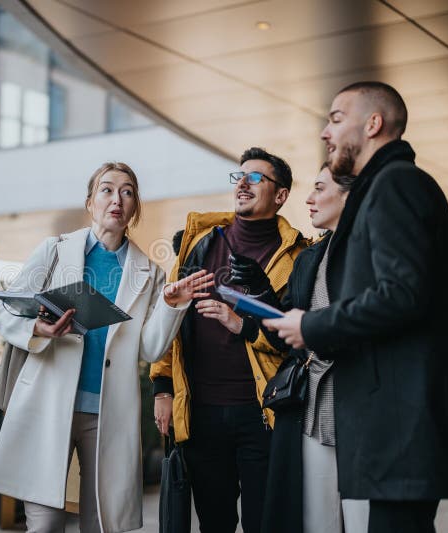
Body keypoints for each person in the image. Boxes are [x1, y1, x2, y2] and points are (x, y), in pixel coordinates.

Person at [263, 81, 448, 532]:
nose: (326, 133)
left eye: (335, 119)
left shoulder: (395, 184)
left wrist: (314, 326)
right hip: (400, 422)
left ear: (373, 124)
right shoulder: (392, 186)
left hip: (404, 424)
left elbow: (402, 294)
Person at [0, 162, 214, 533]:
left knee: (101, 522)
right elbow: (5, 310)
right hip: (47, 403)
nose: (116, 199)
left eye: (127, 192)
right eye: (106, 190)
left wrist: (173, 306)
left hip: (108, 413)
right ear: (90, 202)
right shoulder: (54, 251)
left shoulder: (149, 273)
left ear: (135, 207)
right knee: (44, 525)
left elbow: (151, 349)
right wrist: (38, 328)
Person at [149, 147, 308, 532]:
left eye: (256, 178)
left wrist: (243, 325)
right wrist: (162, 388)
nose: (243, 184)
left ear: (281, 195)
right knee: (213, 523)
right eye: (239, 177)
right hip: (202, 411)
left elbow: (296, 341)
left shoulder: (299, 257)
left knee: (264, 523)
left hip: (263, 413)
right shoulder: (199, 243)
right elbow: (171, 314)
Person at [244, 163, 369, 533]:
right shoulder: (309, 259)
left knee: (367, 522)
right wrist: (259, 295)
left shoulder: (369, 249)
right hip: (312, 409)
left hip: (362, 409)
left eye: (319, 188)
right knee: (318, 523)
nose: (309, 199)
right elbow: (292, 329)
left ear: (348, 195)